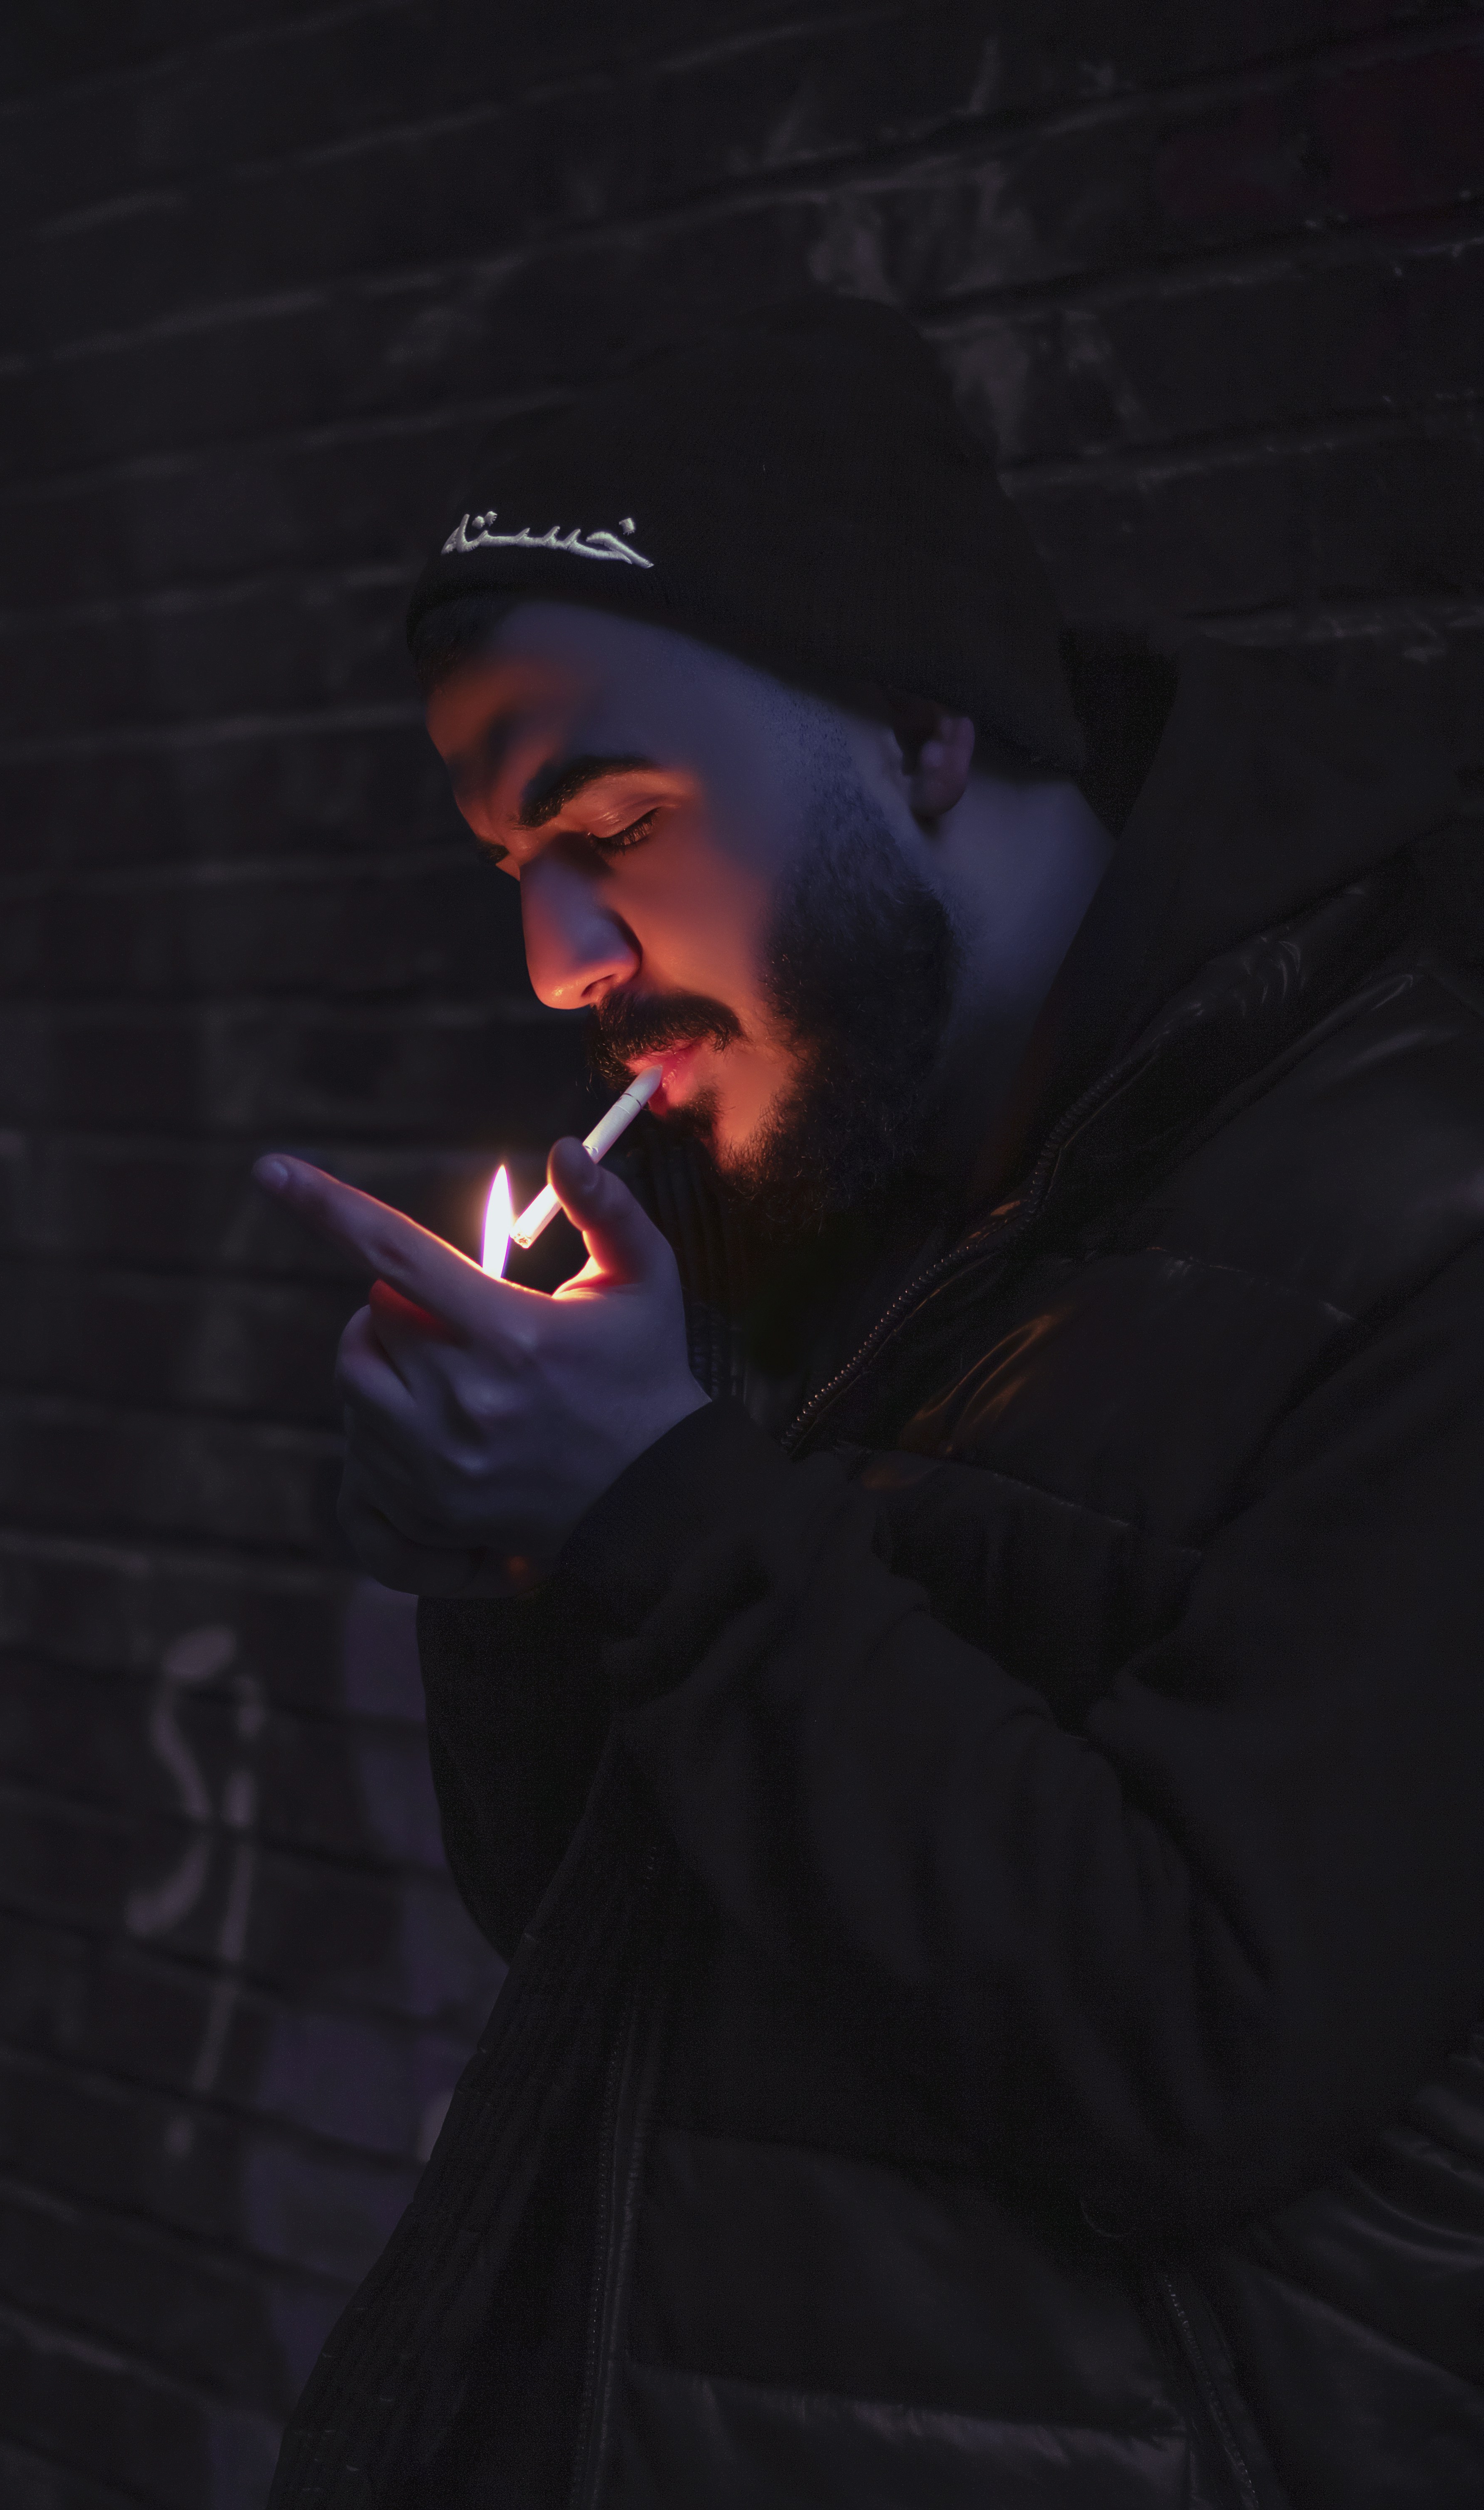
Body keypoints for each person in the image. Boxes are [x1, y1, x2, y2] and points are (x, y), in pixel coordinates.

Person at [258, 297, 1484, 2508]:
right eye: (513, 864)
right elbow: (610, 1930)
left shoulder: (1419, 1232)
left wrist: (656, 1512)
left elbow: (1196, 2047)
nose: (557, 958)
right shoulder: (832, 1181)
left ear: (924, 733)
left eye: (614, 819)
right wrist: (515, 1560)